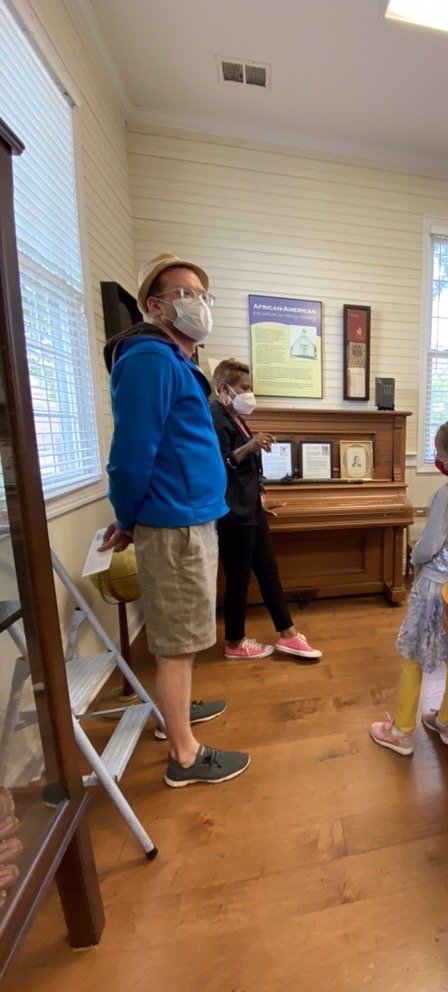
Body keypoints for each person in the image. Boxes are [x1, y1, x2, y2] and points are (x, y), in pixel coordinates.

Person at [100, 252, 249, 788]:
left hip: (189, 517)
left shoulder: (176, 359)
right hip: (174, 522)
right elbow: (132, 453)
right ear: (154, 304)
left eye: (204, 294)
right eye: (185, 292)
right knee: (177, 639)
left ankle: (176, 714)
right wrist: (126, 516)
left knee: (182, 633)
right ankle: (184, 755)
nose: (198, 303)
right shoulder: (150, 359)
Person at [369, 418, 448, 755]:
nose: (438, 459)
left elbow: (428, 546)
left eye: (442, 453)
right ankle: (446, 718)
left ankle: (401, 730)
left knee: (413, 655)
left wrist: (413, 560)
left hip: (435, 587)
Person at [210, 358, 322, 660]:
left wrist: (261, 499)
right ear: (224, 388)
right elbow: (221, 464)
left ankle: (287, 634)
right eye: (244, 388)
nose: (249, 393)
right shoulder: (216, 417)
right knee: (238, 579)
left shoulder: (235, 418)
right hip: (234, 514)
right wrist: (250, 445)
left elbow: (246, 471)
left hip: (251, 511)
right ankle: (234, 643)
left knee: (269, 573)